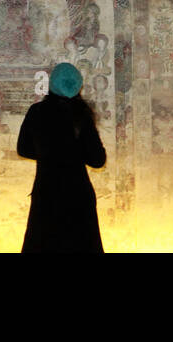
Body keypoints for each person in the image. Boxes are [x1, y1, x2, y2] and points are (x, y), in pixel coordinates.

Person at [16, 62, 106, 252]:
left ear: (52, 84)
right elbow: (97, 160)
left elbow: (23, 149)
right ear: (77, 86)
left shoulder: (37, 112)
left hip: (46, 194)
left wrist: (47, 153)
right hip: (78, 197)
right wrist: (73, 153)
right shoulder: (81, 116)